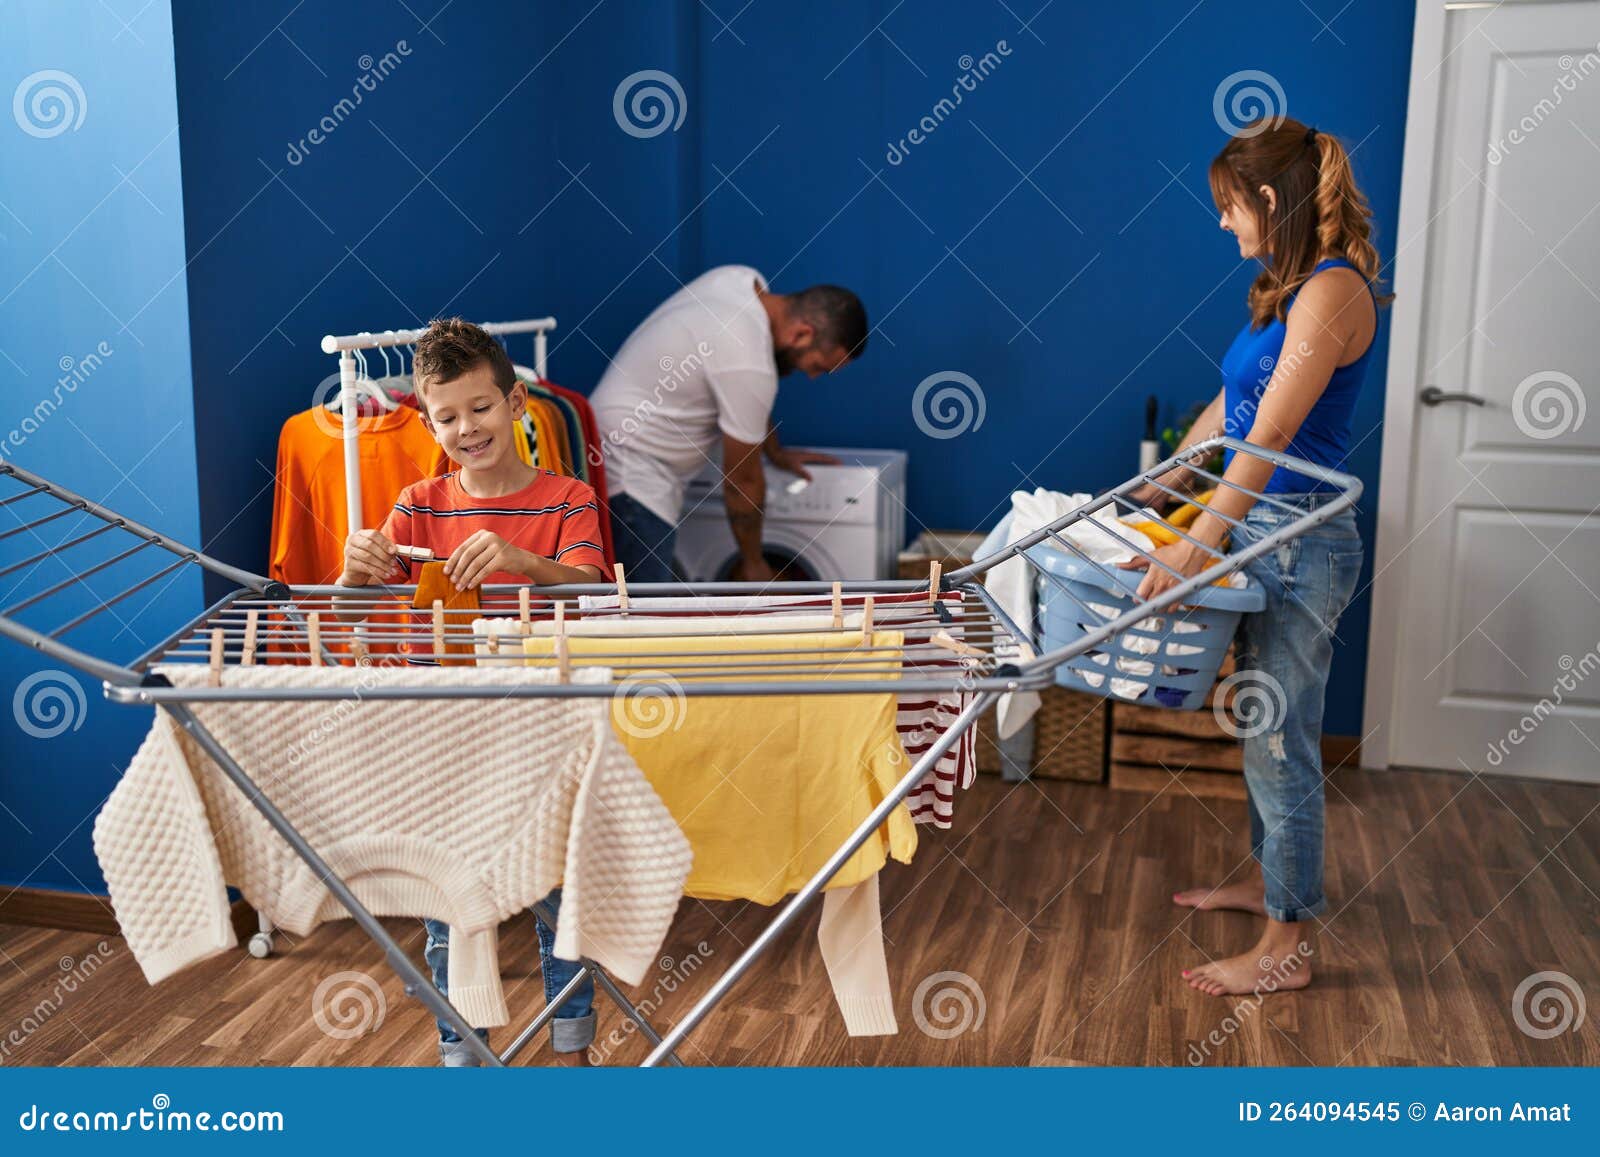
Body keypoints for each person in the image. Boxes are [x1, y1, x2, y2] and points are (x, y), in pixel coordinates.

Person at [1123, 118, 1390, 997]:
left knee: (1284, 738)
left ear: (1269, 199)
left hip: (1301, 538)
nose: (1224, 225)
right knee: (1259, 722)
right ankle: (1262, 880)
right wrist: (1162, 487)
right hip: (1259, 528)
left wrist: (1199, 539)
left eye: (1230, 207)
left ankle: (1287, 945)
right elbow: (1232, 409)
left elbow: (1273, 434)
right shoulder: (1286, 287)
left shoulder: (1334, 292)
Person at [338, 318, 610, 1064]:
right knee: (444, 903)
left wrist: (523, 557)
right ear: (427, 420)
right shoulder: (418, 503)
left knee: (558, 897)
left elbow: (590, 588)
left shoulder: (568, 499)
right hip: (441, 731)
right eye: (447, 415)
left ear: (518, 403)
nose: (467, 427)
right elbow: (350, 613)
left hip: (542, 726)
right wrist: (355, 571)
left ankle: (572, 1049)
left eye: (481, 407)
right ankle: (462, 1055)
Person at [590, 266, 869, 582]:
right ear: (802, 334)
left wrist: (774, 453)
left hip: (607, 451)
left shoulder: (741, 281)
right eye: (818, 366)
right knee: (639, 620)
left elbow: (744, 395)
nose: (812, 376)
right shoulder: (748, 359)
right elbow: (743, 481)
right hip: (631, 482)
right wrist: (753, 563)